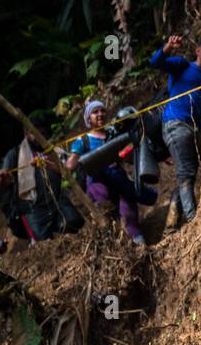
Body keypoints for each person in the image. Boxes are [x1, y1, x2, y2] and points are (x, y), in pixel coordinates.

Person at [65, 100, 153, 246]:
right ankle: (119, 248)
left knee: (129, 212)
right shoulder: (82, 141)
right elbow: (70, 164)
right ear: (88, 118)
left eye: (102, 110)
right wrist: (58, 163)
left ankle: (140, 246)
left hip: (119, 179)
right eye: (95, 112)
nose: (100, 114)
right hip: (97, 184)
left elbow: (129, 156)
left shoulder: (114, 132)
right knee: (109, 218)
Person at [151, 34, 201, 228]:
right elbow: (156, 61)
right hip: (176, 124)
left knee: (189, 174)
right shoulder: (183, 66)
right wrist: (168, 46)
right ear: (198, 51)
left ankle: (172, 220)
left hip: (195, 129)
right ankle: (193, 219)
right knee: (186, 174)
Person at [0, 132, 84, 243]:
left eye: (41, 132)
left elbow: (67, 168)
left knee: (75, 222)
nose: (38, 136)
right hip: (33, 208)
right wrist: (3, 177)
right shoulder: (15, 154)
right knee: (43, 243)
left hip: (57, 199)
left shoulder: (51, 150)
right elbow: (3, 178)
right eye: (34, 133)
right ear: (26, 134)